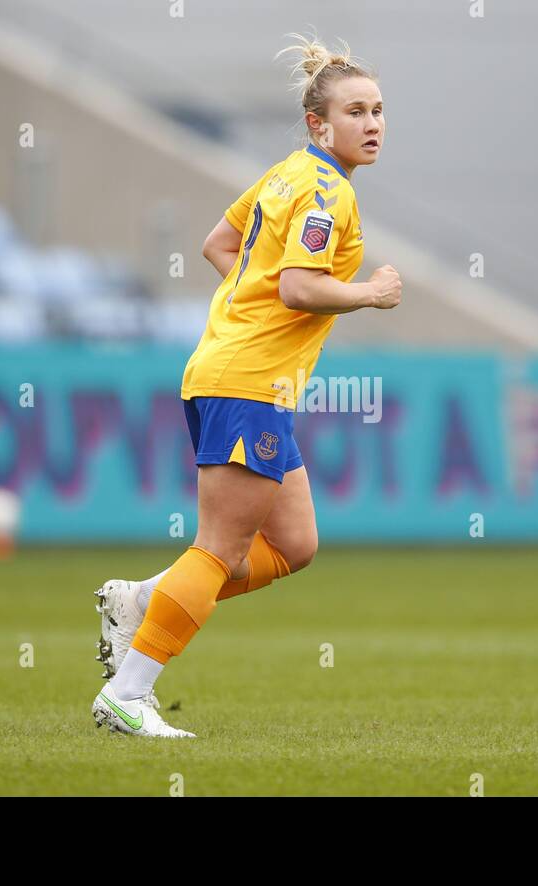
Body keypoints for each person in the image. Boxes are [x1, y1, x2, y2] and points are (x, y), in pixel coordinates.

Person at [92, 33, 401, 737]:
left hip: (232, 373)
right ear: (317, 124)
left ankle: (142, 600)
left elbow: (219, 245)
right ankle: (130, 693)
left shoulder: (289, 173)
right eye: (355, 112)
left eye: (379, 110)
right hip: (249, 382)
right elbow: (296, 287)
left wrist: (253, 309)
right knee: (220, 549)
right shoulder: (327, 192)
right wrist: (368, 293)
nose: (373, 123)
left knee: (294, 544)